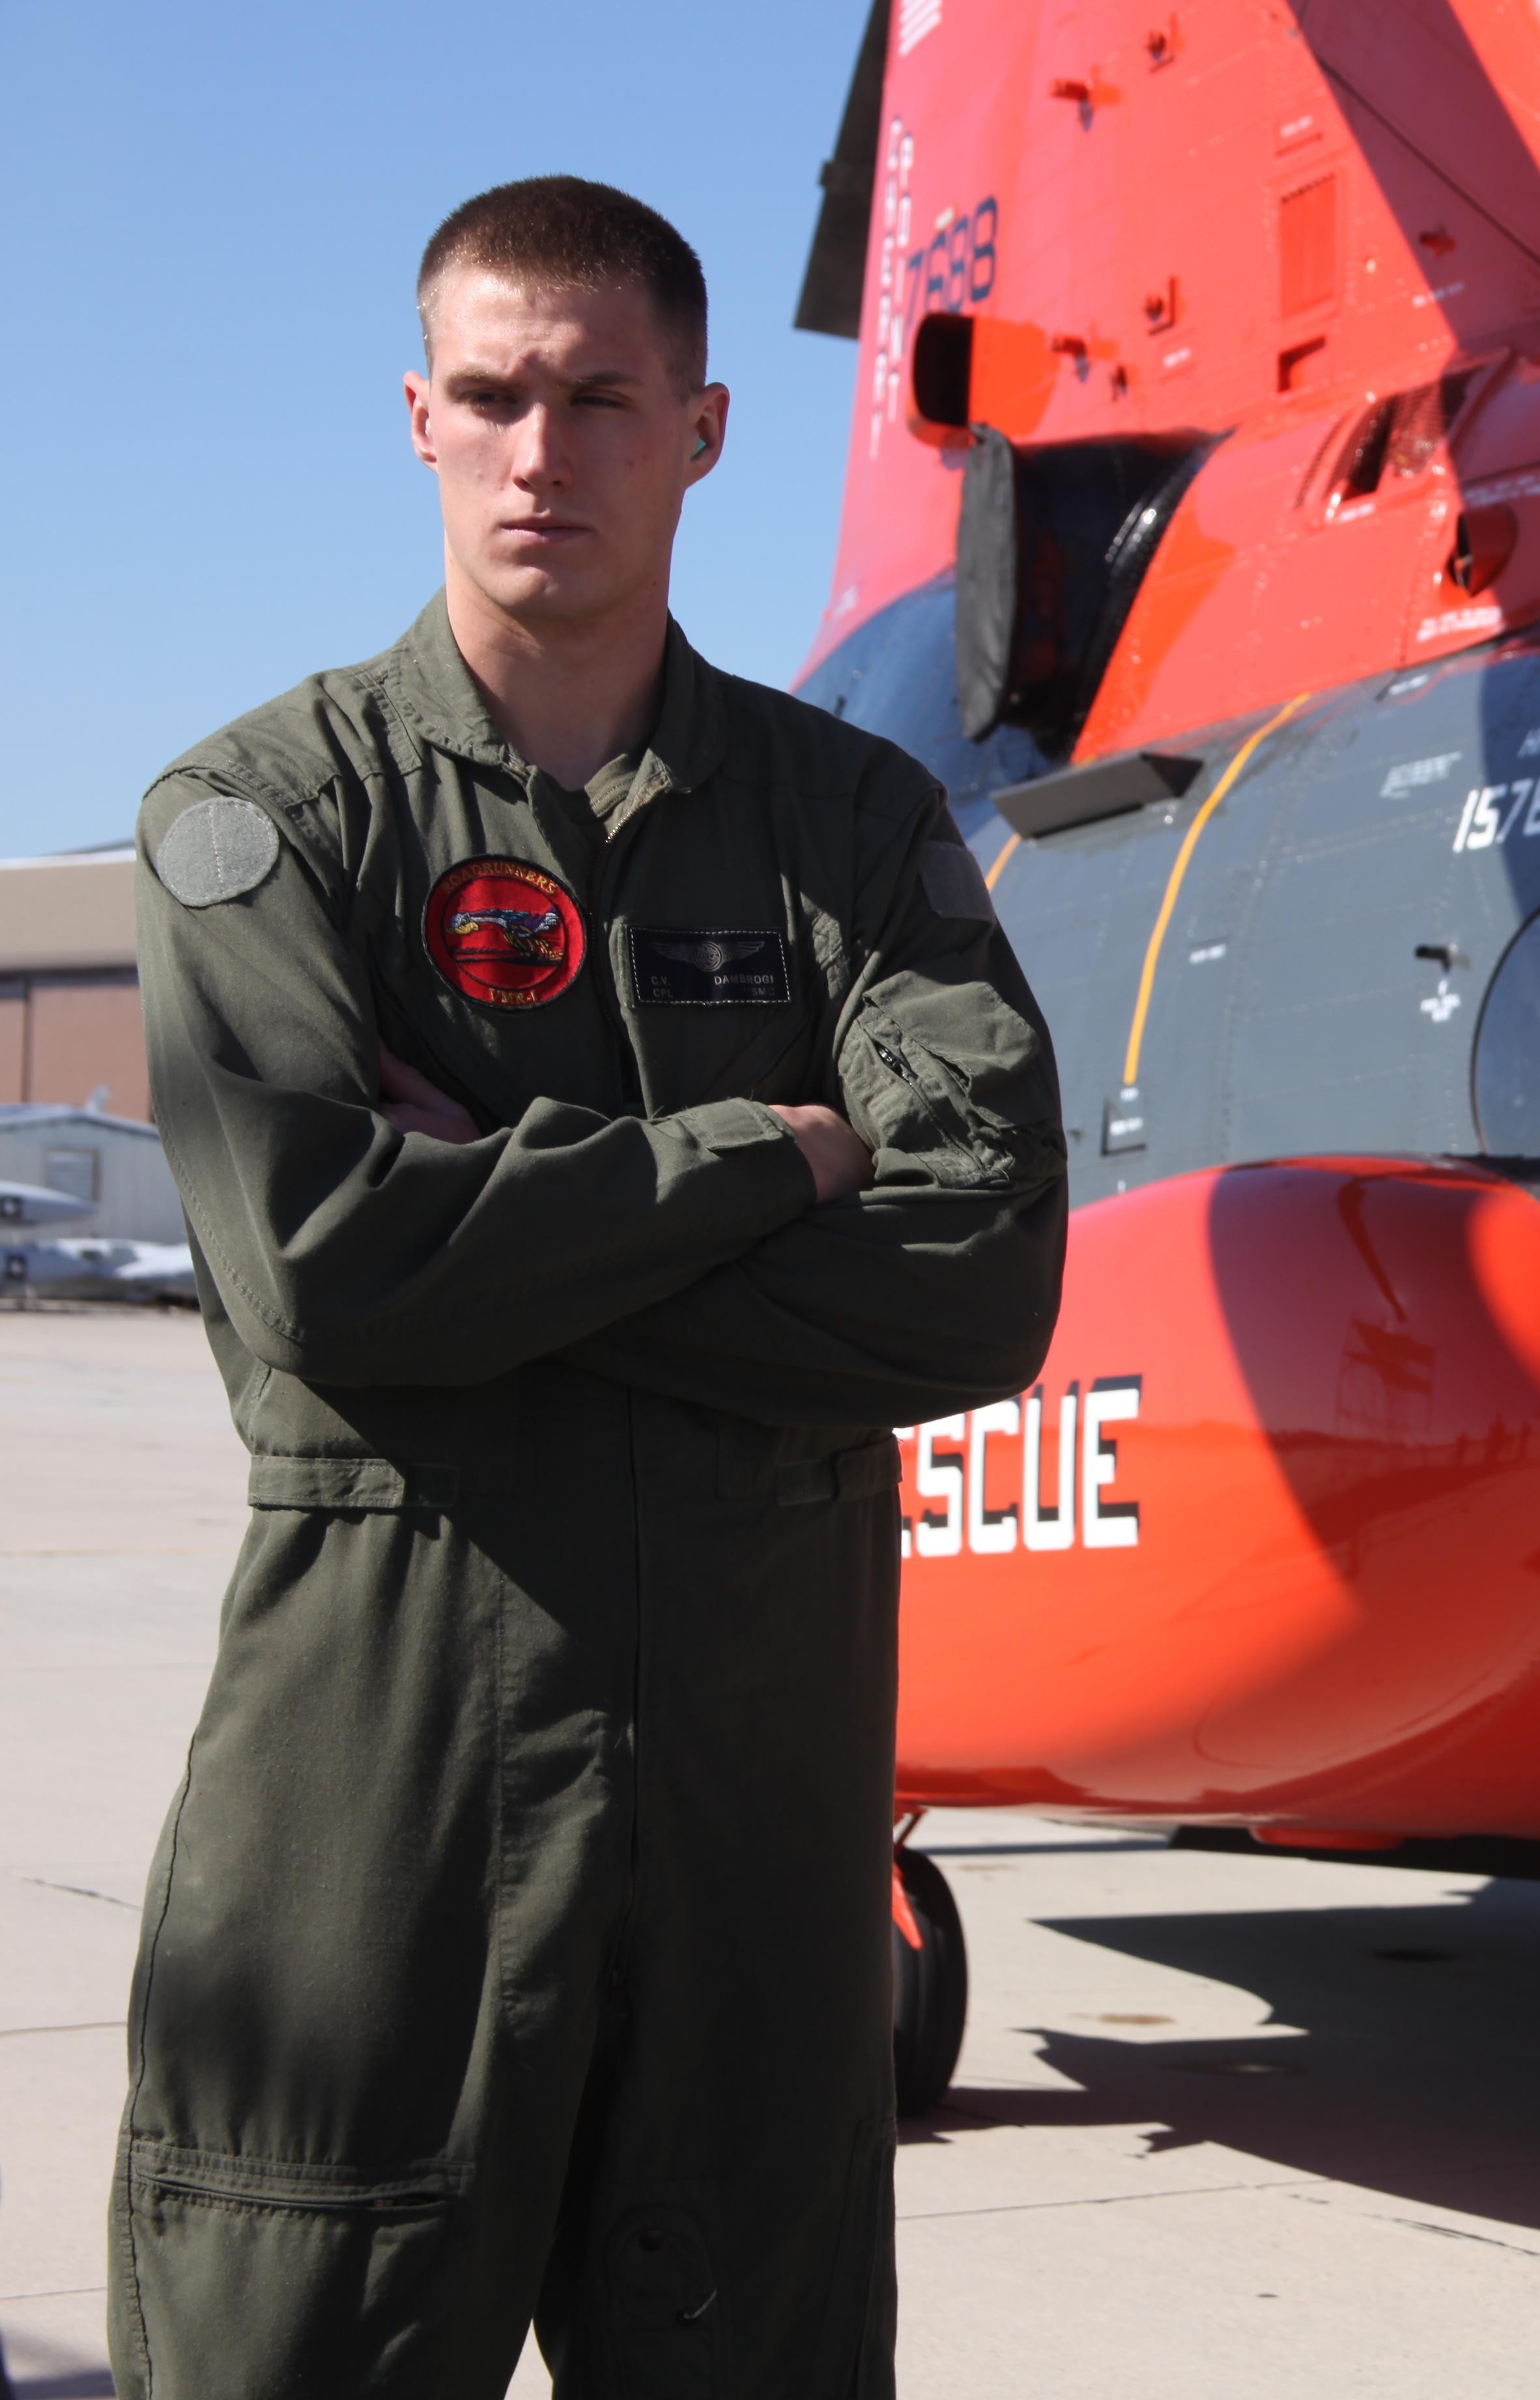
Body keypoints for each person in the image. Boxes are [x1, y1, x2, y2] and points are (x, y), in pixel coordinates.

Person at [112, 177, 1066, 2397]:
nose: (544, 451)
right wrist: (762, 1158)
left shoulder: (854, 830)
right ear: (418, 420)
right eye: (495, 396)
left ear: (705, 430)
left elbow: (978, 1283)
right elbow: (328, 1268)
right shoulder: (266, 817)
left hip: (756, 1846)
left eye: (601, 399)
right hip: (377, 1829)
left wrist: (493, 1247)